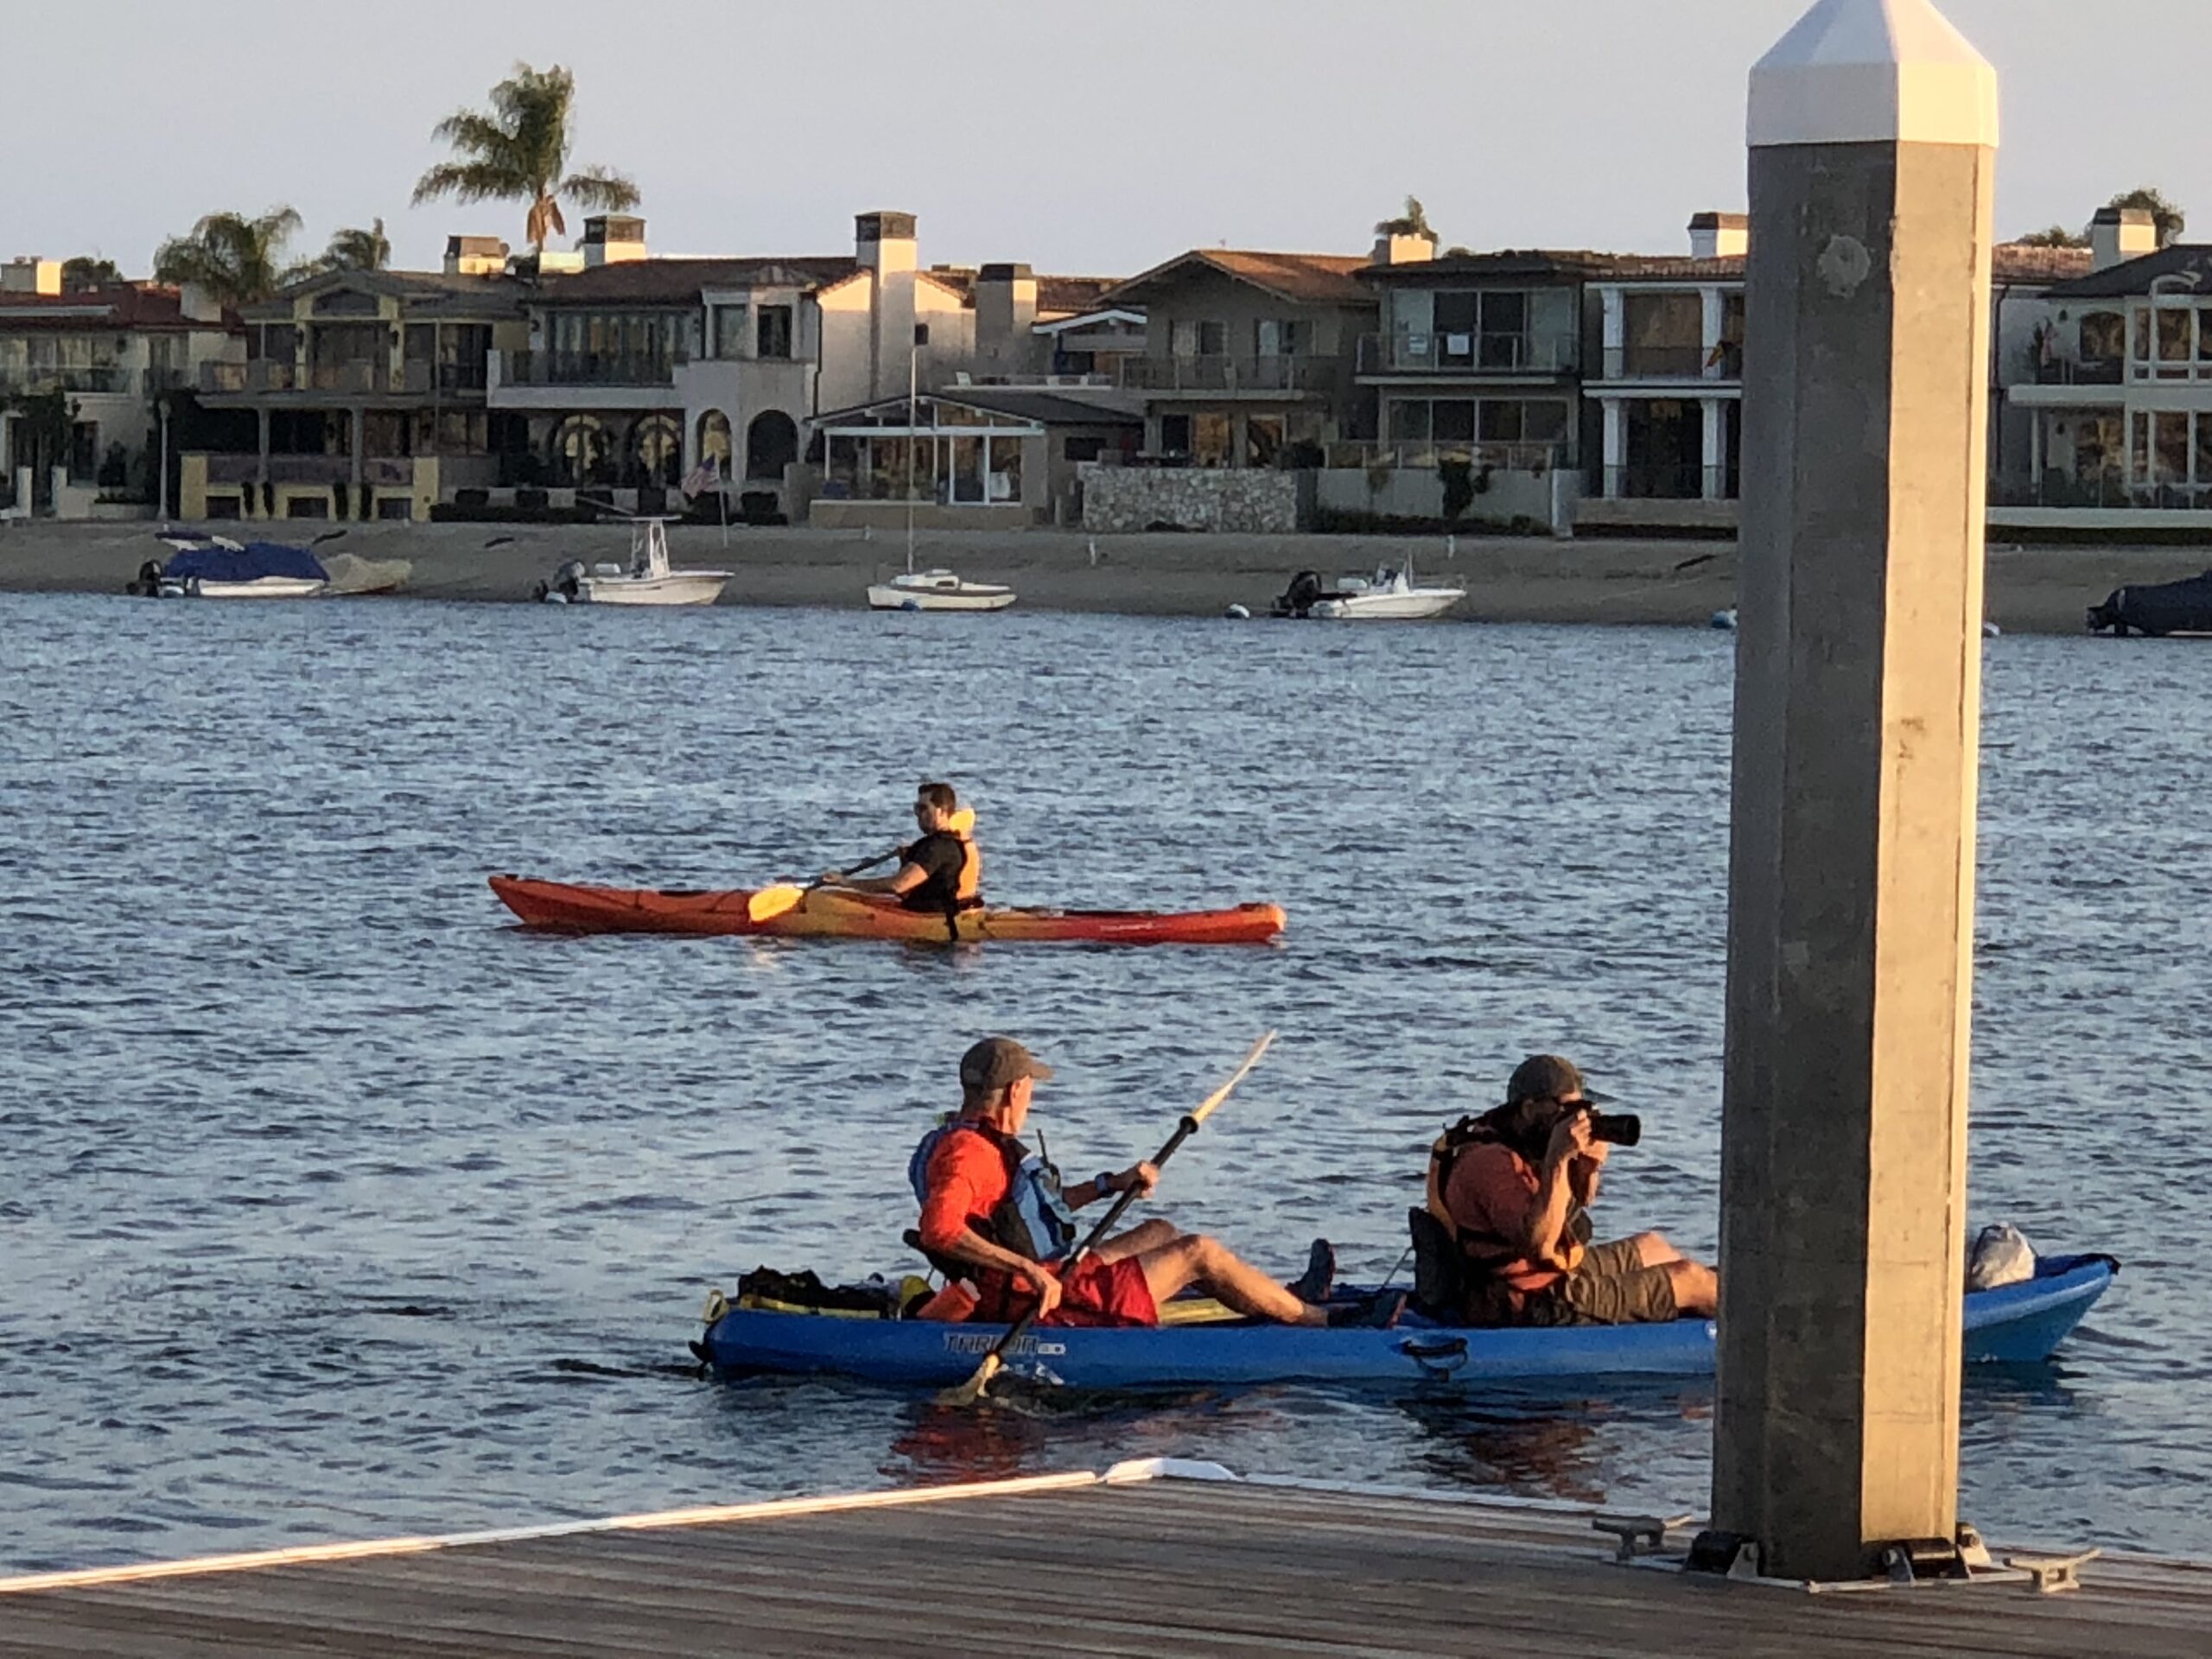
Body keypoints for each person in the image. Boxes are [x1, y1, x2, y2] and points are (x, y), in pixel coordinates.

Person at [910, 1037, 1398, 1330]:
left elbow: (1032, 1211)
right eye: (1031, 1089)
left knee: (1159, 1231)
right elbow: (940, 1230)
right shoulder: (969, 1152)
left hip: (1045, 1273)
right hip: (1037, 1297)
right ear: (1016, 1090)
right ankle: (1320, 1323)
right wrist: (1033, 1273)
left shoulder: (970, 1138)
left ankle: (1279, 1294)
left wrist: (1112, 1184)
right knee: (1197, 1251)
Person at [1413, 1054, 1717, 1327]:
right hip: (1525, 1300)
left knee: (1652, 1246)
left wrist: (1588, 1164)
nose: (1574, 1119)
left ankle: (1711, 1303)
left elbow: (1578, 1211)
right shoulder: (1490, 1163)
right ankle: (1750, 1339)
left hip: (1541, 1275)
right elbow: (1540, 1245)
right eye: (1566, 1109)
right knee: (1689, 1278)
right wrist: (1559, 1158)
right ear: (1530, 1108)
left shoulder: (1525, 1141)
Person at [823, 780, 982, 918]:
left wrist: (847, 882)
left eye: (923, 808)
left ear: (941, 812)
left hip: (932, 921)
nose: (918, 814)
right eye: (916, 808)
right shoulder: (943, 843)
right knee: (837, 897)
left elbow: (898, 886)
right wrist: (908, 859)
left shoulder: (937, 848)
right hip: (938, 912)